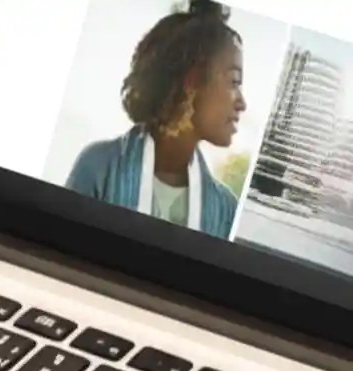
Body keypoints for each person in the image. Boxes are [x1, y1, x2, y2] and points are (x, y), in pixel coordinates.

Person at [67, 0, 247, 239]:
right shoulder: (100, 169)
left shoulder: (225, 209)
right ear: (192, 80)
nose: (242, 103)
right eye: (234, 82)